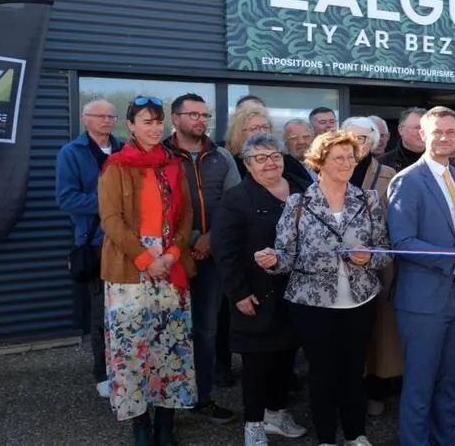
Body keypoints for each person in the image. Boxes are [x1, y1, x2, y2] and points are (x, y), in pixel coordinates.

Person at [255, 131, 390, 446]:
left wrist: (369, 258)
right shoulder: (298, 203)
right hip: (310, 303)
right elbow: (285, 255)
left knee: (354, 369)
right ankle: (327, 438)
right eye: (339, 158)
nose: (347, 163)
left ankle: (356, 434)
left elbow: (384, 251)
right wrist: (272, 260)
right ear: (320, 163)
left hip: (360, 300)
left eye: (350, 157)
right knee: (322, 372)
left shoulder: (368, 200)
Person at [98, 96, 196, 445]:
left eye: (158, 122)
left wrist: (170, 254)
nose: (154, 128)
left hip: (170, 267)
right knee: (132, 350)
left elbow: (186, 216)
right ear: (131, 126)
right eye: (146, 121)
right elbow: (111, 219)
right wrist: (145, 259)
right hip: (129, 269)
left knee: (170, 349)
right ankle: (140, 424)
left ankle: (165, 424)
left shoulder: (174, 165)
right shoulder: (116, 166)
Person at [386, 106, 455, 446]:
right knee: (419, 386)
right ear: (423, 135)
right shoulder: (407, 180)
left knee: (450, 385)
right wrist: (453, 259)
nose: (444, 137)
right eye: (437, 131)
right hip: (421, 302)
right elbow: (401, 242)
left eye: (450, 132)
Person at [212, 132, 308, 446]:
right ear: (247, 164)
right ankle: (253, 424)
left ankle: (277, 414)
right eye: (260, 158)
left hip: (297, 292)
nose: (270, 163)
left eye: (275, 156)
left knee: (285, 358)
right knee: (257, 363)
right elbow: (225, 251)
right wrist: (238, 293)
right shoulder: (237, 198)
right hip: (256, 294)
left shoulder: (300, 189)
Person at [163, 93, 240, 424]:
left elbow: (233, 202)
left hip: (211, 257)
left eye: (204, 115)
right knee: (168, 329)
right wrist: (193, 239)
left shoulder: (221, 157)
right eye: (192, 114)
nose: (200, 120)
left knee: (206, 331)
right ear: (175, 118)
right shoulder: (161, 156)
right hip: (170, 257)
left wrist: (210, 239)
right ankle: (166, 401)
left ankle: (202, 397)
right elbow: (160, 208)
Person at [56, 98, 124, 398]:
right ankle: (102, 372)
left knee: (124, 312)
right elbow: (66, 198)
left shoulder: (124, 148)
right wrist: (110, 205)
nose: (107, 121)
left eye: (111, 116)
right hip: (95, 243)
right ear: (86, 119)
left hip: (127, 242)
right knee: (100, 313)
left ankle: (125, 367)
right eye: (100, 116)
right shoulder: (72, 152)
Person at [341, 116, 402, 417]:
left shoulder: (388, 174)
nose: (357, 143)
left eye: (364, 138)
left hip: (377, 265)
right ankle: (347, 392)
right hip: (338, 269)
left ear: (373, 142)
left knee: (379, 332)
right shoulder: (329, 168)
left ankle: (376, 391)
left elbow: (394, 222)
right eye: (351, 137)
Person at [226, 109, 314, 189]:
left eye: (265, 127)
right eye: (254, 128)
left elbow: (307, 187)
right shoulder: (232, 161)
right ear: (240, 133)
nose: (262, 132)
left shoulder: (286, 159)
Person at [379, 107, 426, 173]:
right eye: (417, 127)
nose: (422, 132)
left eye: (427, 127)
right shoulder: (383, 164)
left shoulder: (442, 161)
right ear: (401, 130)